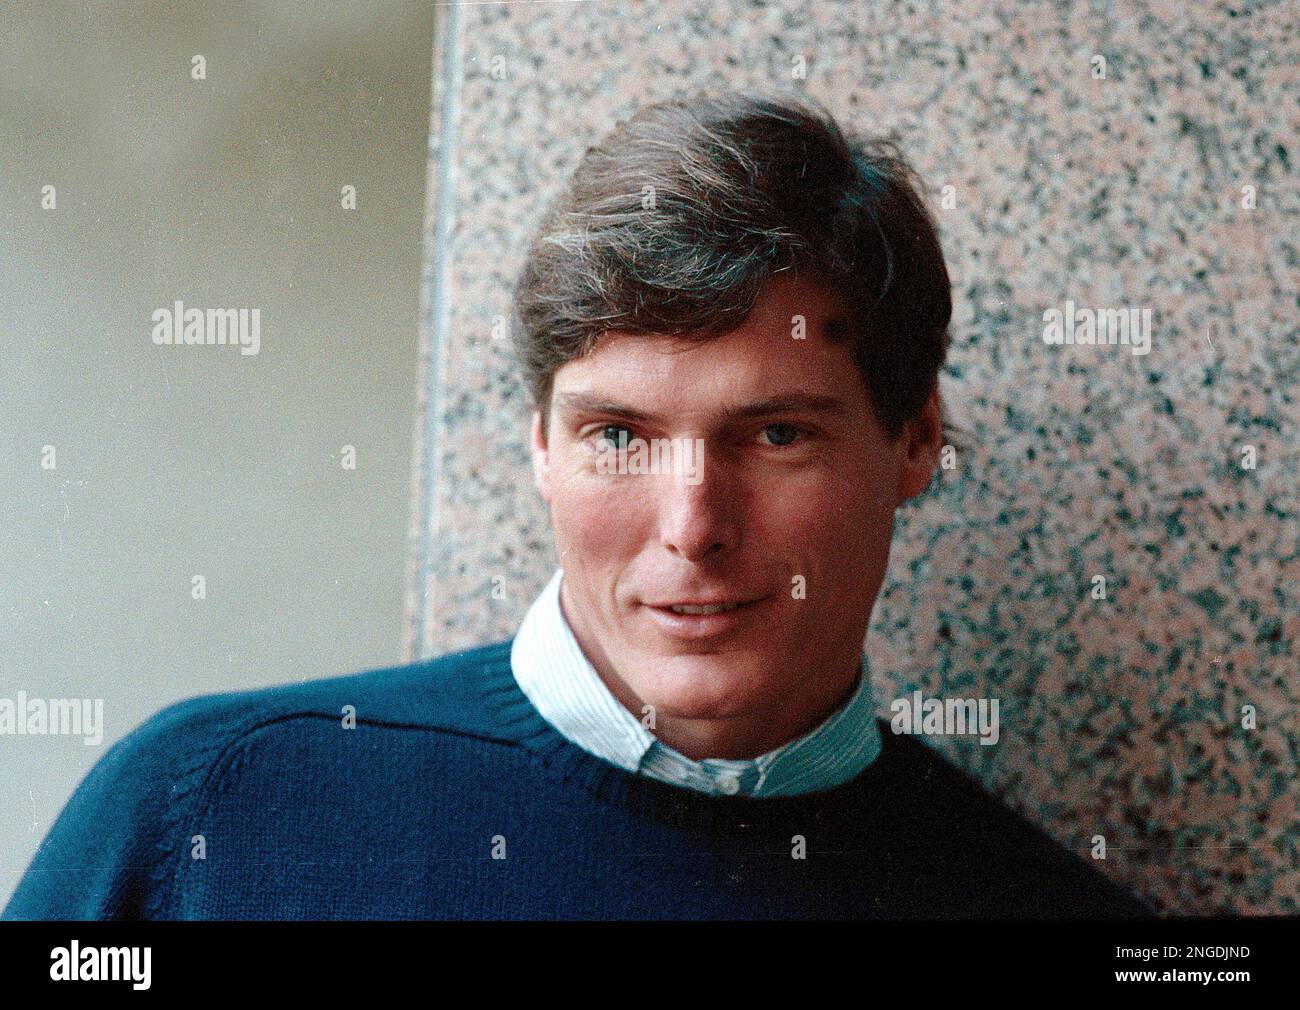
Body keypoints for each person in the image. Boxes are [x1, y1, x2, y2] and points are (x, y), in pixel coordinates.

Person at [4, 90, 1151, 920]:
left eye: (776, 434)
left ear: (915, 439)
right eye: (619, 436)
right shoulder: (211, 809)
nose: (693, 525)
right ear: (540, 446)